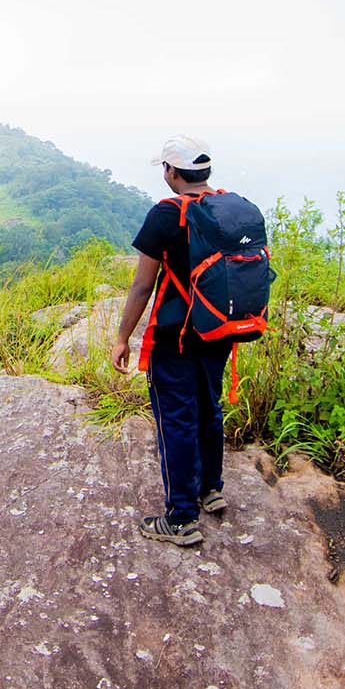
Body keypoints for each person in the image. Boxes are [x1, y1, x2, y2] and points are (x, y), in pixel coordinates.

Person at [111, 135, 234, 547]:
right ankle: (210, 489)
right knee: (208, 407)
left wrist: (121, 337)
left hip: (175, 337)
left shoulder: (165, 215)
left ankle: (181, 518)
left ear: (172, 172)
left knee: (177, 420)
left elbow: (143, 286)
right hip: (218, 331)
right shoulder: (228, 209)